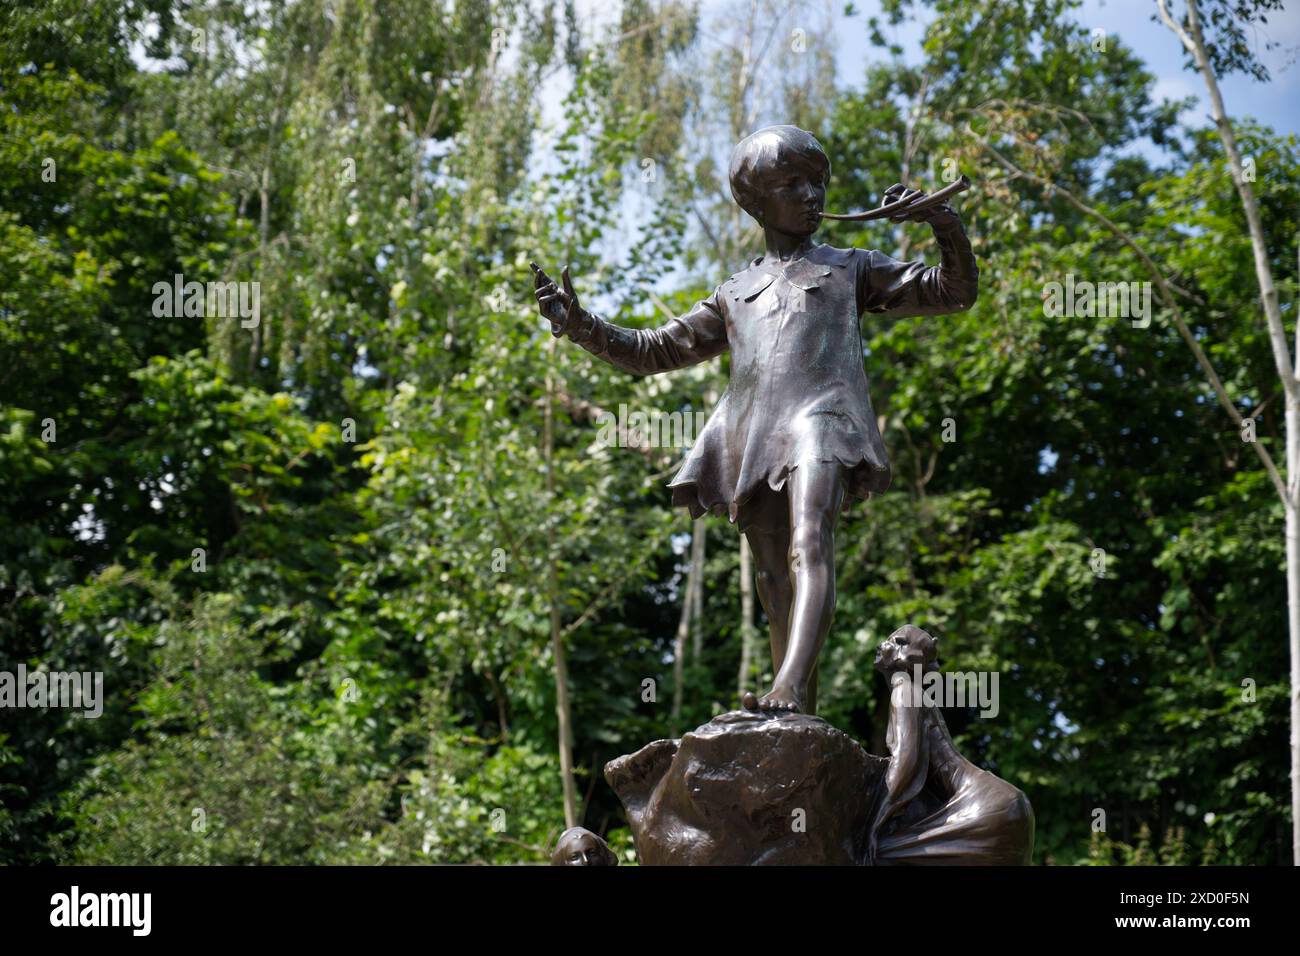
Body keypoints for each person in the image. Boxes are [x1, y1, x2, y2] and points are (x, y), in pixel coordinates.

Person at [532, 125, 977, 715]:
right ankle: (795, 714)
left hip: (825, 420)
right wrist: (581, 324)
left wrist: (944, 225)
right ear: (756, 200)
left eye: (818, 182)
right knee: (773, 584)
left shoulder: (852, 268)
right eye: (793, 184)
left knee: (809, 541)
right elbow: (654, 350)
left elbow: (954, 291)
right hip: (754, 435)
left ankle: (788, 688)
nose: (812, 195)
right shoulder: (735, 291)